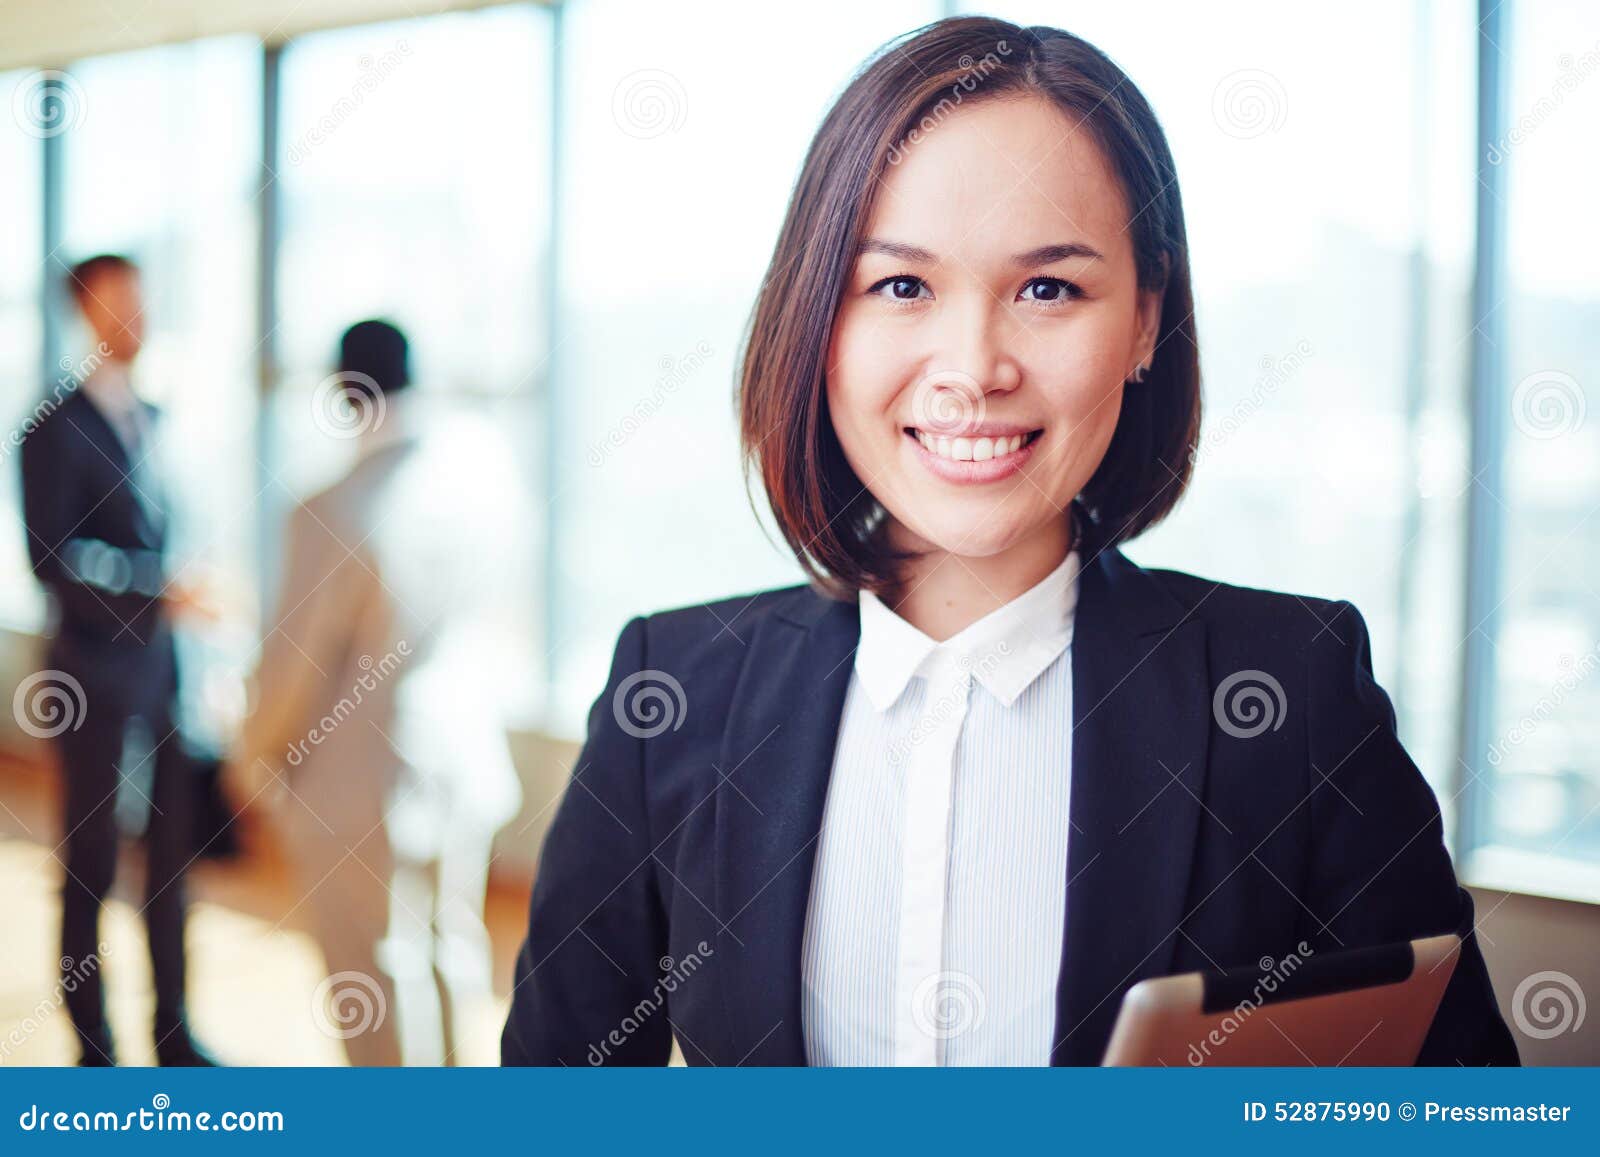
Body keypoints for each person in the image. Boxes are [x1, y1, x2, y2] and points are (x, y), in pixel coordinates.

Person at [501, 17, 1519, 1067]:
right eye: (900, 285)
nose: (974, 365)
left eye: (1048, 288)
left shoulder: (1291, 695)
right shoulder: (669, 698)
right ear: (818, 321)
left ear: (1139, 322)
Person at [231, 320, 522, 1066]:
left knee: (374, 977)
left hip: (360, 783)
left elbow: (290, 669)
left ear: (343, 394)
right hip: (463, 761)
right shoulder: (479, 486)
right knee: (451, 950)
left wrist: (248, 756)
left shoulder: (330, 510)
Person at [19, 253, 219, 1066]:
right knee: (92, 862)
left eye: (141, 303)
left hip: (165, 676)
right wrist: (155, 591)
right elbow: (52, 560)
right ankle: (91, 1045)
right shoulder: (52, 429)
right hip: (92, 679)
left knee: (173, 861)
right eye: (117, 306)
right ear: (84, 315)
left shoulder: (153, 416)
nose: (134, 319)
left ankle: (172, 1029)